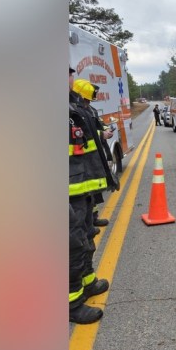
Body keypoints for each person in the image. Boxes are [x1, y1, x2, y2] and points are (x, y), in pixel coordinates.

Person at [69, 71, 113, 324]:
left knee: (85, 238)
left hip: (81, 190)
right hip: (69, 192)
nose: (71, 79)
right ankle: (72, 303)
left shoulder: (77, 110)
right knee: (71, 247)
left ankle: (87, 282)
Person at [72, 79, 118, 229]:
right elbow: (86, 134)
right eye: (86, 99)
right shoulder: (76, 113)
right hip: (82, 159)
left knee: (93, 193)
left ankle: (93, 218)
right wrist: (100, 134)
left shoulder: (90, 110)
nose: (88, 102)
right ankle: (89, 222)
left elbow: (97, 125)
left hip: (94, 154)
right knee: (87, 193)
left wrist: (105, 130)